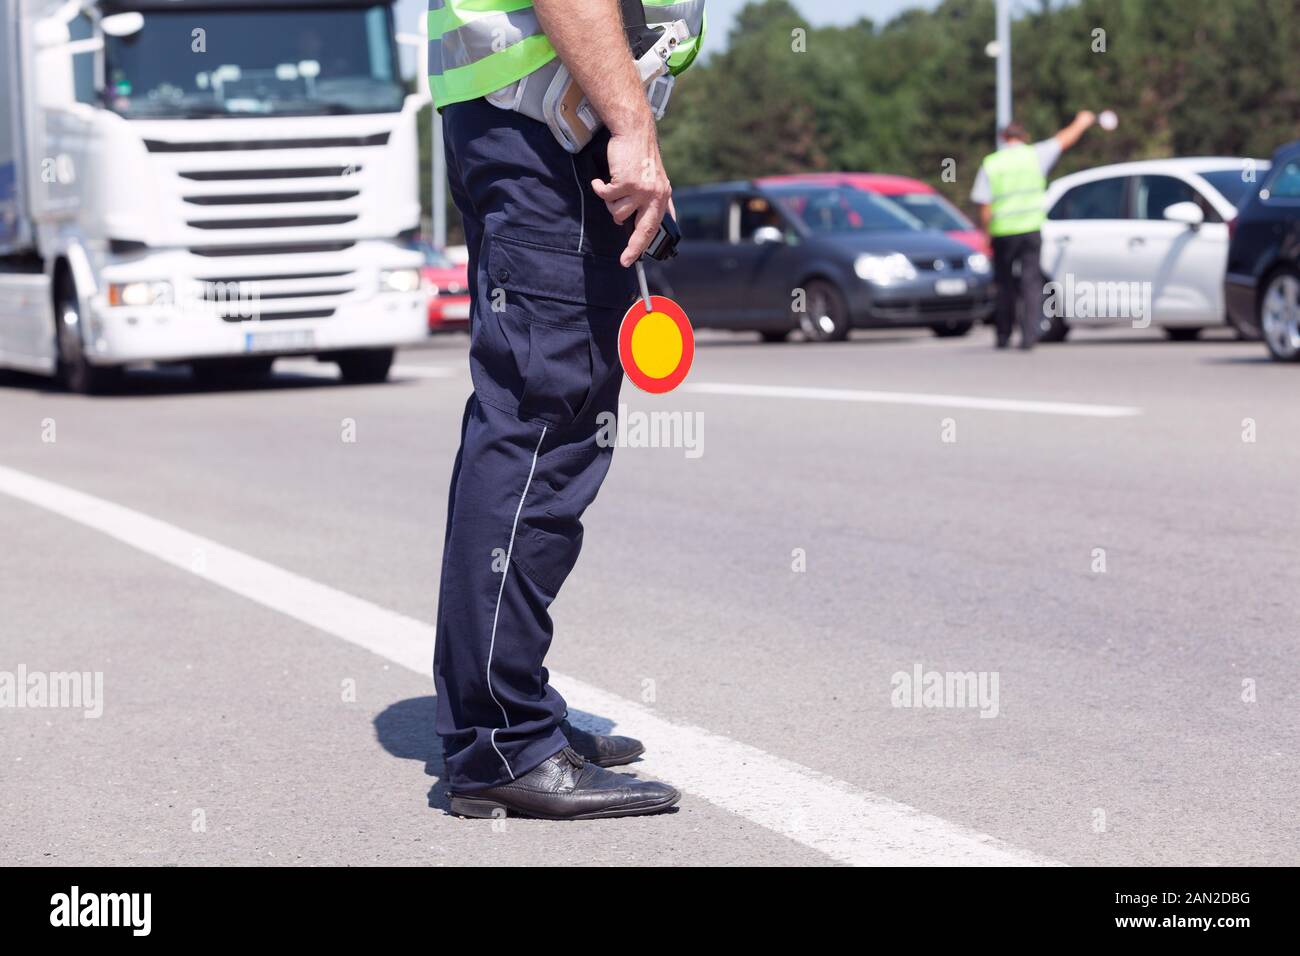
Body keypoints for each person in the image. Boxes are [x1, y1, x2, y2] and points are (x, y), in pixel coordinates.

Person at [427, 0, 703, 819]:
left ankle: (504, 715)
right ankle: (502, 738)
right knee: (542, 417)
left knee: (537, 412)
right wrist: (628, 122)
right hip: (546, 114)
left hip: (538, 109)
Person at [972, 111, 1096, 349]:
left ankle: (1003, 334)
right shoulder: (1034, 155)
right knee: (1031, 282)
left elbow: (984, 205)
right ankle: (1029, 336)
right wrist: (1081, 122)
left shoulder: (992, 163)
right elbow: (1064, 139)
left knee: (1005, 284)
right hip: (1030, 229)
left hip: (1003, 232)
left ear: (1003, 138)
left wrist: (986, 234)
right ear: (1024, 137)